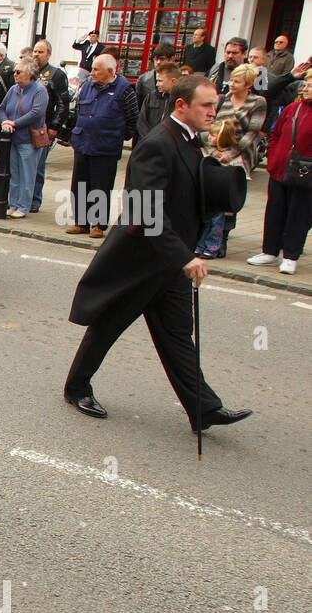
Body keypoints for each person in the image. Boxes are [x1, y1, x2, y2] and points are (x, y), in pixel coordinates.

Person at [64, 74, 252, 431]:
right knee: (107, 326)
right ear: (181, 105)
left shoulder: (190, 140)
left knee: (178, 336)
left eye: (215, 105)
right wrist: (185, 257)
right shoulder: (156, 143)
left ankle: (203, 408)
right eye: (206, 105)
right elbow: (144, 211)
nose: (214, 111)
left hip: (171, 263)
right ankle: (76, 388)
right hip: (142, 261)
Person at [64, 54, 137, 237]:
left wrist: (118, 136)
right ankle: (81, 223)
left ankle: (98, 224)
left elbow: (133, 119)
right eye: (93, 68)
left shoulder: (125, 89)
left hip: (106, 147)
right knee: (79, 185)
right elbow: (79, 110)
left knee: (101, 186)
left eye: (97, 69)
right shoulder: (87, 86)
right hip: (83, 143)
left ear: (110, 72)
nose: (92, 72)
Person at [247, 76, 312, 275]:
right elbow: (275, 134)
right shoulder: (293, 108)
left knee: (298, 215)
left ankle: (291, 256)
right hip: (279, 170)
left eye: (310, 86)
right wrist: (273, 156)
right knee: (275, 211)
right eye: (306, 84)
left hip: (306, 175)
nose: (305, 88)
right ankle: (270, 252)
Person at [0, 59, 48, 217]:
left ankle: (23, 206)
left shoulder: (39, 90)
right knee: (14, 173)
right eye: (15, 71)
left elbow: (36, 113)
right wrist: (5, 122)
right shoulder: (13, 89)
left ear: (30, 74)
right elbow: (1, 108)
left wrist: (14, 123)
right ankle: (13, 204)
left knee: (28, 174)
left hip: (28, 140)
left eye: (19, 72)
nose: (15, 74)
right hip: (14, 138)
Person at [26, 40, 68, 213]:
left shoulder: (56, 74)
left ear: (48, 54)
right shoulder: (28, 71)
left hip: (43, 128)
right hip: (25, 127)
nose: (36, 55)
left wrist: (55, 127)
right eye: (35, 51)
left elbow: (62, 103)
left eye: (40, 52)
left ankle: (35, 200)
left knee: (38, 167)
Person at [136, 61, 180, 141]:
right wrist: (149, 140)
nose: (156, 84)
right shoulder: (151, 97)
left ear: (173, 81)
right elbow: (142, 122)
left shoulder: (181, 102)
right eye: (157, 81)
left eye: (160, 81)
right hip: (148, 143)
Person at [137, 42, 177, 109]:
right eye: (156, 59)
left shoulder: (180, 80)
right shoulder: (143, 79)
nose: (158, 62)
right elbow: (138, 106)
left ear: (172, 59)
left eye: (162, 59)